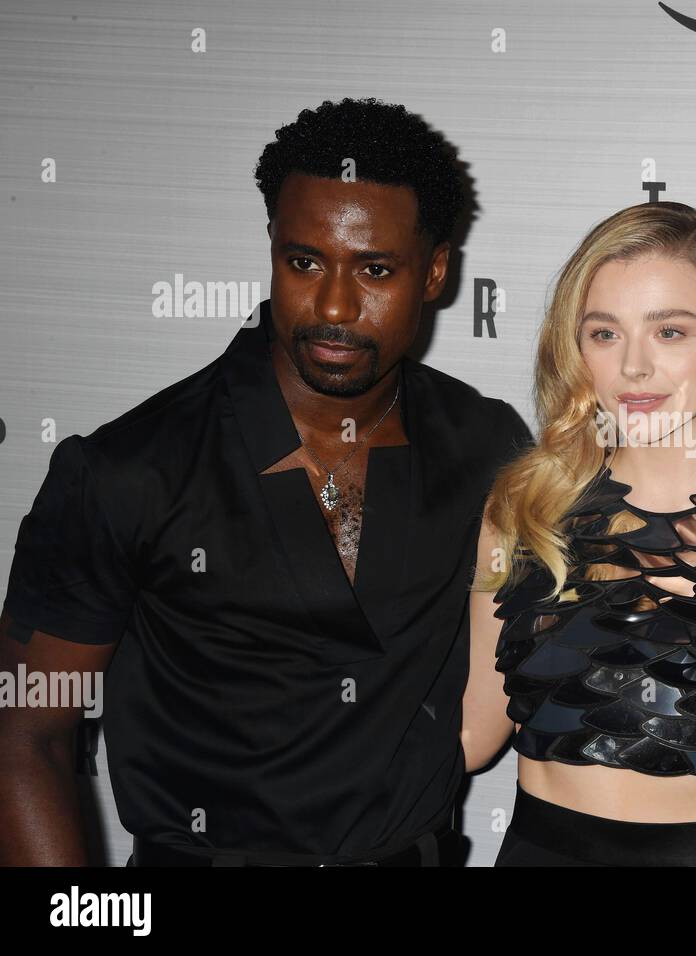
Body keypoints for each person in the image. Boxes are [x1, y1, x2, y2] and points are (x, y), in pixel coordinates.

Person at [0, 98, 532, 866]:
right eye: (304, 261)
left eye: (375, 270)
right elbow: (26, 737)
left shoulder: (485, 443)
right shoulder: (128, 468)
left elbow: (550, 668)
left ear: (436, 272)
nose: (335, 305)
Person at [461, 202, 696, 866]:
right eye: (604, 334)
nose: (633, 368)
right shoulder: (524, 510)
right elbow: (471, 733)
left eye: (669, 332)